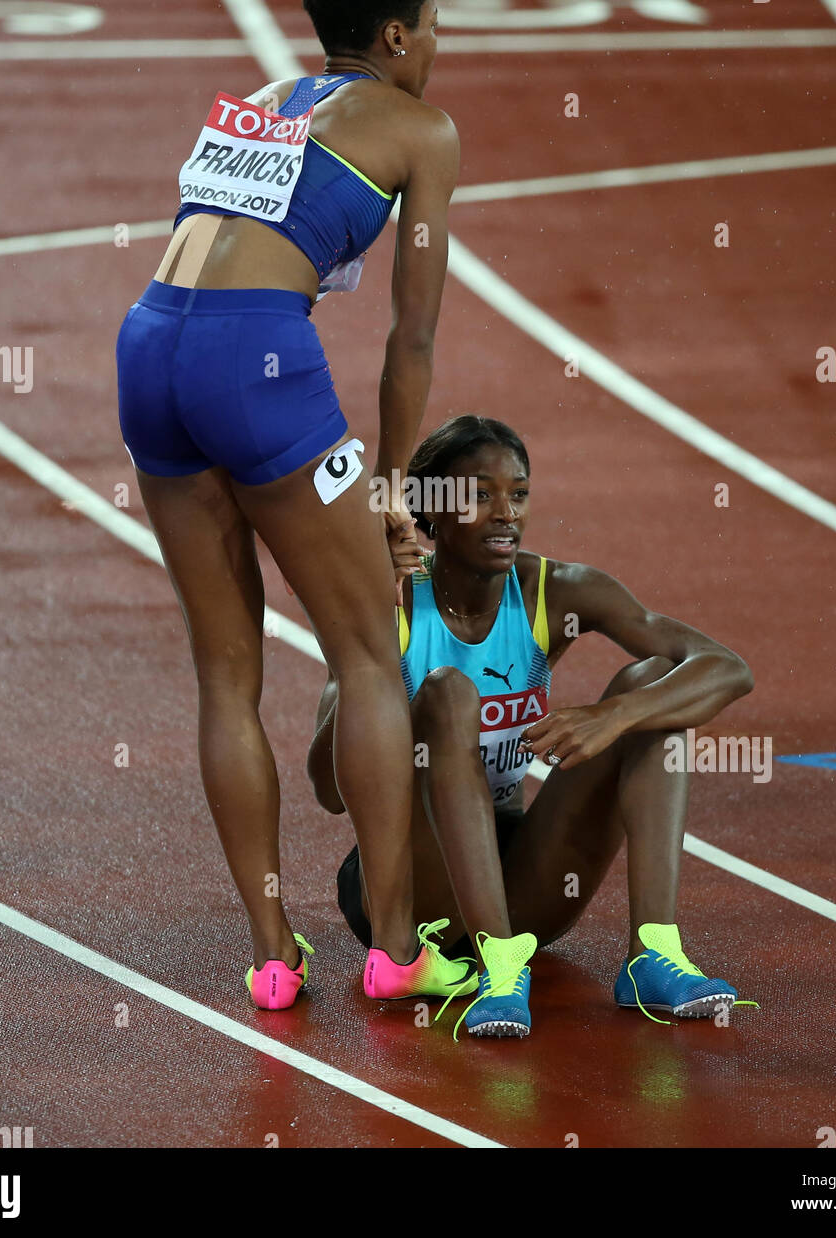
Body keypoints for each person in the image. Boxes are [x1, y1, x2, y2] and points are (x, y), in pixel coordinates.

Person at [115, 0, 473, 1010]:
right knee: (368, 650)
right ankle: (398, 951)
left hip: (148, 343)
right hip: (253, 354)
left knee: (227, 674)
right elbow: (411, 340)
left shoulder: (267, 93)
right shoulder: (421, 129)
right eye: (438, 20)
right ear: (398, 33)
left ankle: (274, 956)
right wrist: (395, 489)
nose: (443, 41)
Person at [308, 416, 757, 1038]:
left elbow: (726, 669)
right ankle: (495, 965)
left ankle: (653, 953)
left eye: (517, 494)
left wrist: (615, 715)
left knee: (655, 686)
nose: (505, 514)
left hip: (518, 875)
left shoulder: (555, 590)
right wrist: (372, 634)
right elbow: (329, 792)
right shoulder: (395, 602)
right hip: (409, 892)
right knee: (447, 693)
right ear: (429, 515)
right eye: (479, 496)